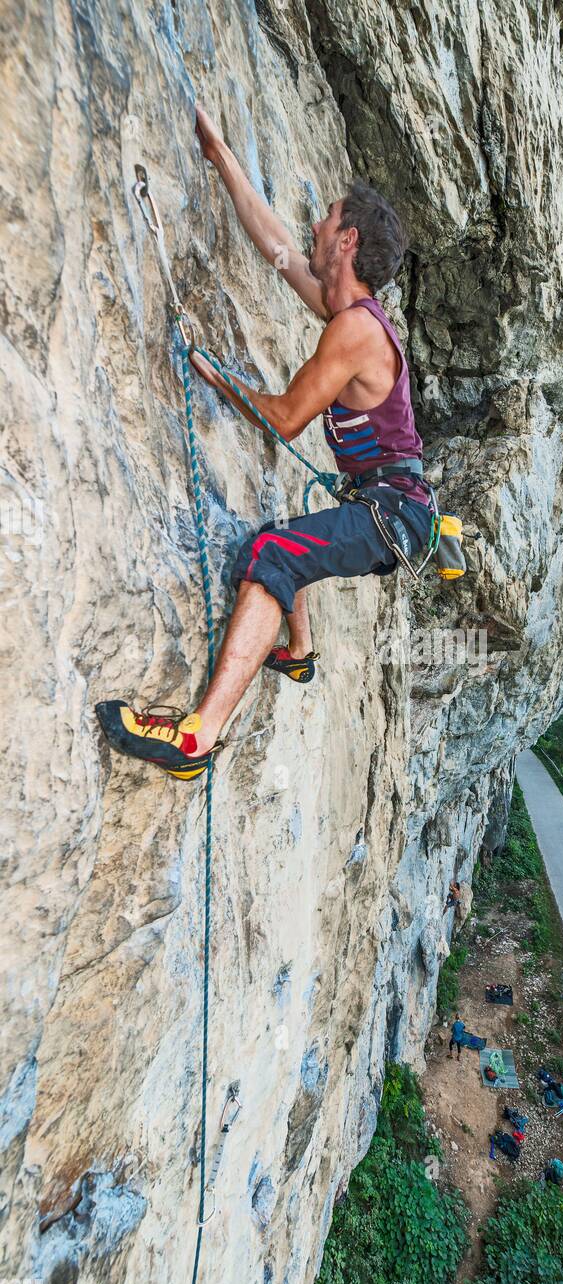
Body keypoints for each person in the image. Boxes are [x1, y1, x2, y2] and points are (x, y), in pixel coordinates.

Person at [97, 106, 432, 780]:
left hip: (391, 512)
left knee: (273, 553)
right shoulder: (347, 315)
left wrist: (220, 376)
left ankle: (198, 737)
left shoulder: (357, 331)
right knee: (292, 539)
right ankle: (297, 650)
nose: (314, 223)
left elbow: (283, 419)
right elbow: (279, 249)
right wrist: (220, 155)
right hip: (389, 504)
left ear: (347, 241)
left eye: (327, 218)